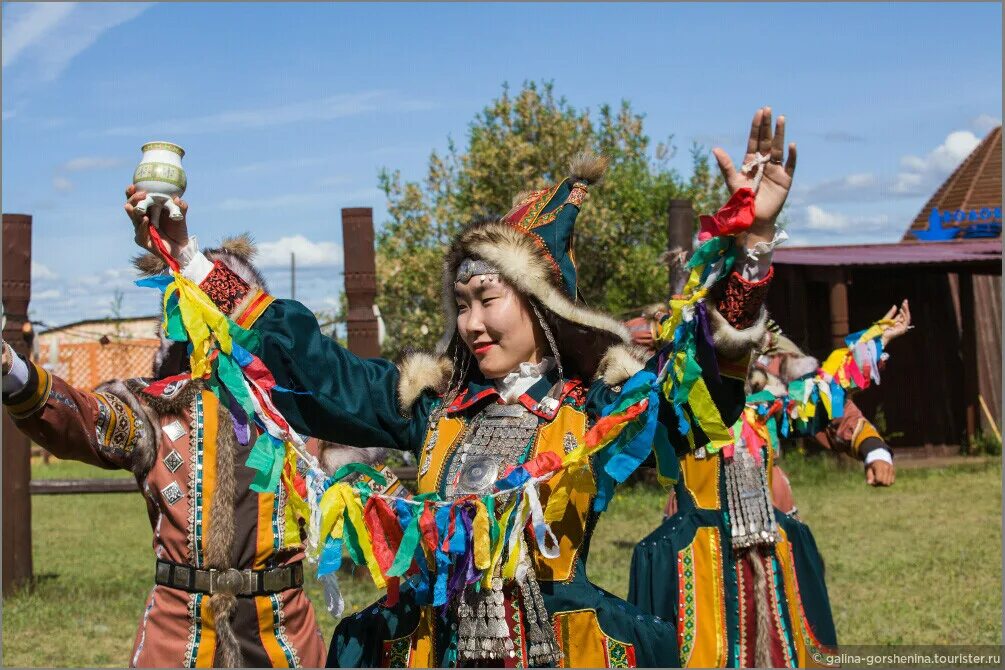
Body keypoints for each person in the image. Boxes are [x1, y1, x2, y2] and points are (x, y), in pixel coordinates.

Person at [123, 106, 793, 668]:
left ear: (540, 304)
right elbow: (316, 364)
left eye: (487, 299)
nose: (470, 323)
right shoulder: (435, 407)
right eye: (460, 303)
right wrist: (189, 259)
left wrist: (752, 247)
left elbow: (699, 399)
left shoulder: (596, 407)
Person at [1, 237, 386, 668]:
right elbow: (86, 419)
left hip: (283, 637)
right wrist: (12, 369)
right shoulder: (155, 410)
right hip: (177, 637)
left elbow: (370, 427)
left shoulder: (298, 413)